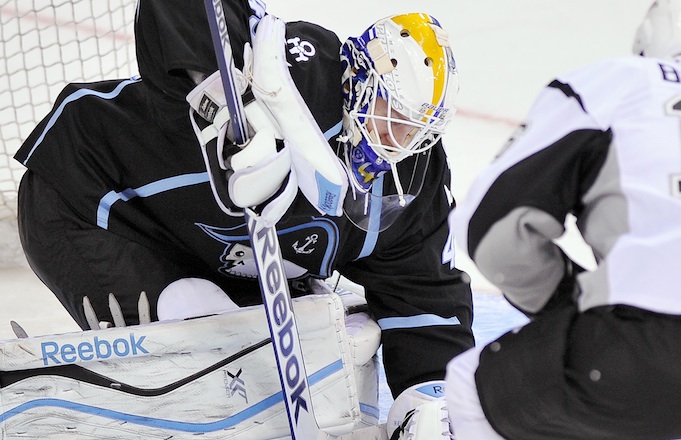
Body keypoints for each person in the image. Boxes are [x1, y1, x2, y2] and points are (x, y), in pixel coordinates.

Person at [15, 0, 473, 438]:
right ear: (362, 80)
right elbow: (186, 14)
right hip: (93, 199)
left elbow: (425, 291)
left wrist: (432, 397)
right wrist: (219, 96)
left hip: (214, 253)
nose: (400, 138)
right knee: (198, 326)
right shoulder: (293, 76)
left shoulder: (415, 173)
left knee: (325, 331)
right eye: (392, 113)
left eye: (418, 128)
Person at [444, 0, 681, 439]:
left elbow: (491, 230)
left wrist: (569, 302)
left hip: (654, 346)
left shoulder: (617, 80)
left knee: (471, 388)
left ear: (647, 44)